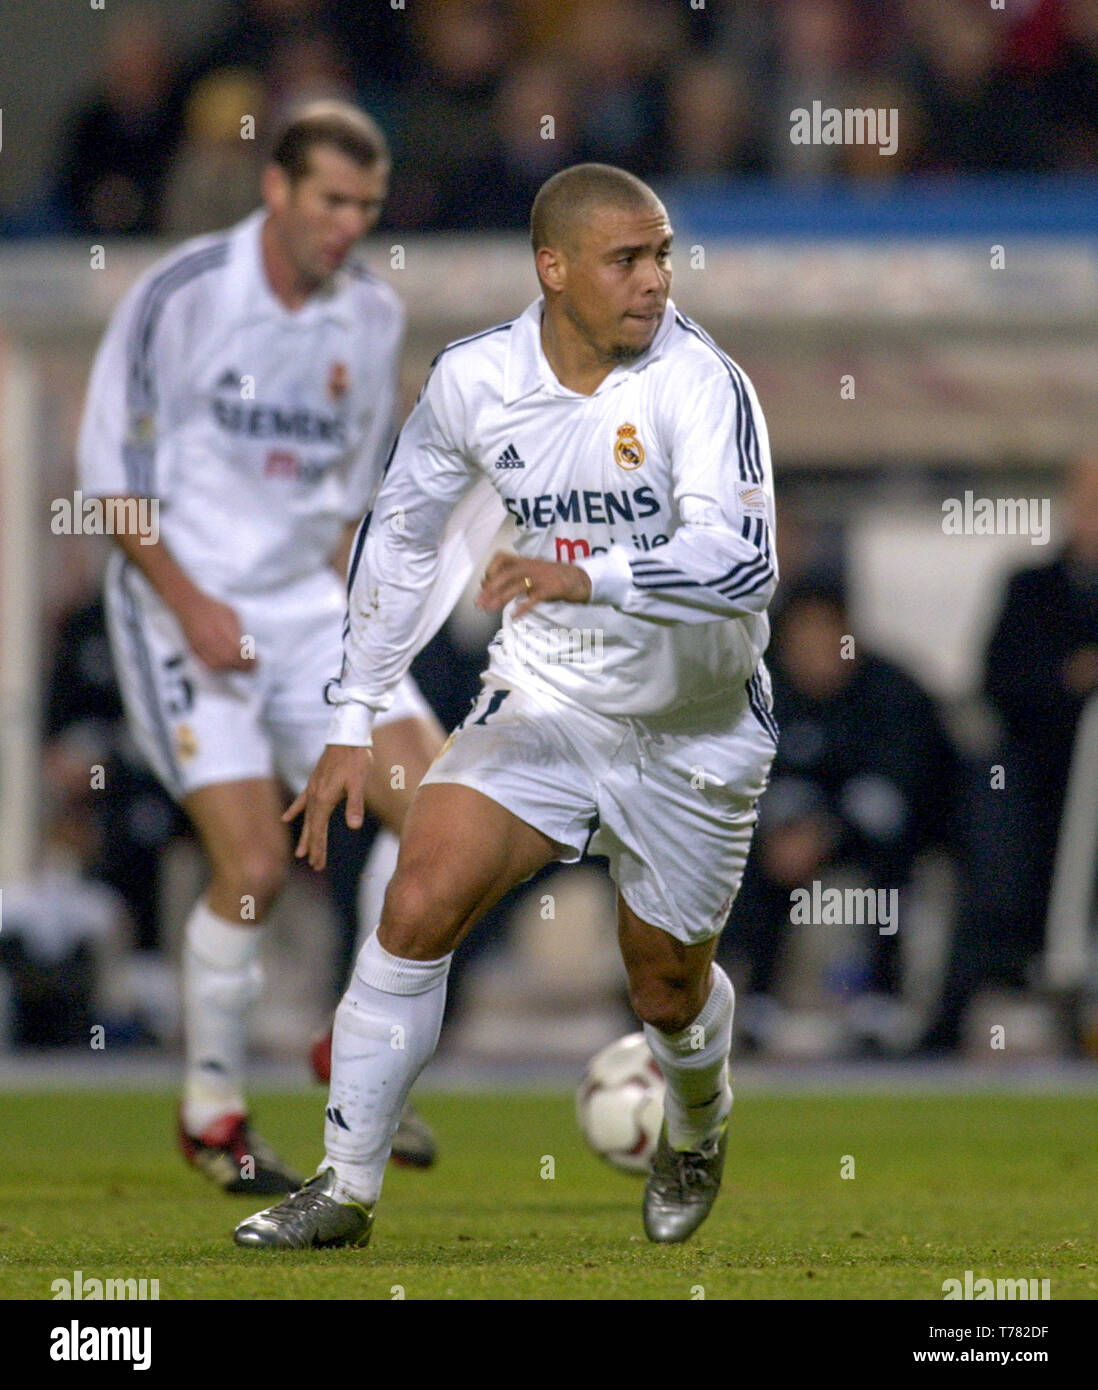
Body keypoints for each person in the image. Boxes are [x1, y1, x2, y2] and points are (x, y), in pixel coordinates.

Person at [234, 161, 779, 1251]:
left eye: (664, 254)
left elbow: (744, 562)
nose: (656, 279)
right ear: (555, 268)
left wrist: (595, 575)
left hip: (693, 724)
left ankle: (700, 1118)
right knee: (418, 897)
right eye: (629, 258)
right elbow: (399, 538)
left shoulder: (701, 382)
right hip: (547, 695)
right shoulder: (475, 380)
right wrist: (353, 716)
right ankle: (344, 1187)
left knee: (666, 990)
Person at [78, 101, 443, 1194]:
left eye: (367, 208)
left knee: (445, 813)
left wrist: (358, 623)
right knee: (252, 865)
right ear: (277, 191)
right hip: (174, 597)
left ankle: (351, 1043)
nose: (348, 224)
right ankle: (212, 1107)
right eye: (332, 200)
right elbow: (113, 484)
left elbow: (344, 504)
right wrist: (191, 602)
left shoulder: (372, 317)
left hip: (301, 608)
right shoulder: (179, 297)